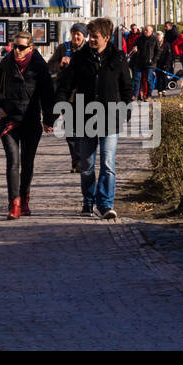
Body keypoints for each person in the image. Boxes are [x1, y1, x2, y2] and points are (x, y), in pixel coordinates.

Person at [52, 17, 132, 220]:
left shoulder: (118, 58)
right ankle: (88, 200)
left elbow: (126, 88)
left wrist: (125, 110)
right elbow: (66, 84)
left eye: (95, 37)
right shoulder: (80, 58)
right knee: (86, 165)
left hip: (109, 117)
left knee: (107, 163)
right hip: (85, 117)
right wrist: (58, 108)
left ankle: (105, 204)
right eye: (90, 37)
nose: (91, 40)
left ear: (106, 37)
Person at [0, 32, 54, 219]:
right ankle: (14, 203)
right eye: (15, 46)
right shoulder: (7, 63)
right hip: (9, 121)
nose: (17, 50)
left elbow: (48, 94)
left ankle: (24, 199)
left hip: (31, 121)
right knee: (13, 162)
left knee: (28, 163)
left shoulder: (39, 66)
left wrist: (49, 119)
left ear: (30, 48)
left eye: (21, 47)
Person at [47, 22, 88, 172]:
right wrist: (59, 63)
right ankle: (76, 161)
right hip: (67, 96)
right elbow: (49, 66)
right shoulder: (63, 48)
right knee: (70, 130)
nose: (76, 37)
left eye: (79, 34)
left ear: (84, 36)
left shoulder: (89, 49)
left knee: (84, 129)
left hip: (84, 95)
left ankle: (84, 159)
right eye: (74, 33)